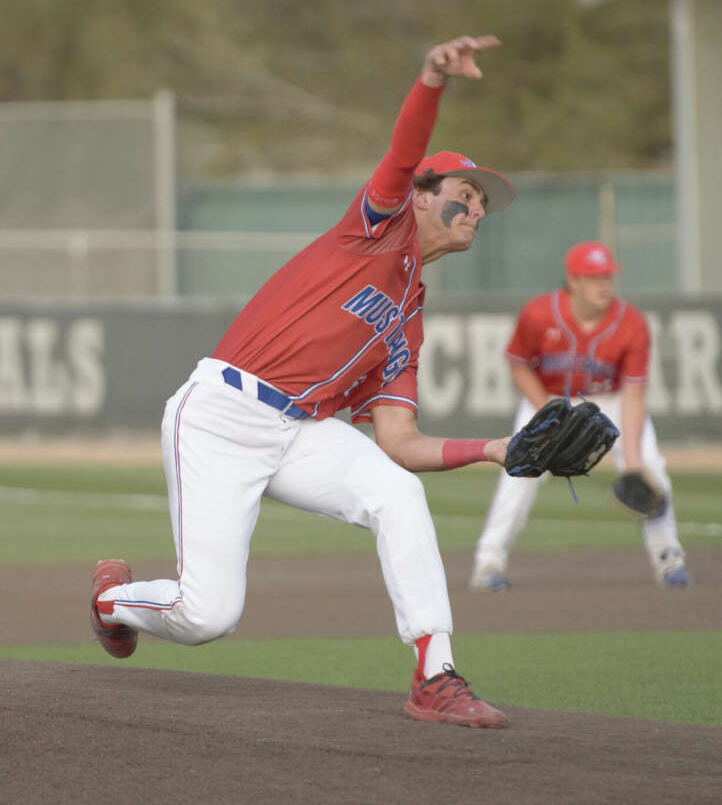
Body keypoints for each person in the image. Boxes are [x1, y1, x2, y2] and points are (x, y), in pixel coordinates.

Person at [90, 35, 520, 729]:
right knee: (208, 616)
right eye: (462, 194)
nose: (473, 209)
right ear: (420, 196)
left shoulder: (410, 309)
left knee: (396, 491)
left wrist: (495, 447)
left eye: (481, 204)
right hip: (222, 414)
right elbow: (403, 151)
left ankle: (434, 674)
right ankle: (113, 601)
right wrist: (432, 80)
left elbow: (400, 441)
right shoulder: (374, 229)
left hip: (299, 431)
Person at [469, 240, 692, 592]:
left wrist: (632, 463)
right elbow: (519, 364)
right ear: (573, 280)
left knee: (651, 467)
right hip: (549, 398)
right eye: (594, 277)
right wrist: (547, 412)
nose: (604, 284)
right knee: (518, 472)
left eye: (607, 276)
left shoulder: (631, 323)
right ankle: (489, 562)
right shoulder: (539, 313)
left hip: (611, 400)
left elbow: (634, 395)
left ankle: (669, 558)